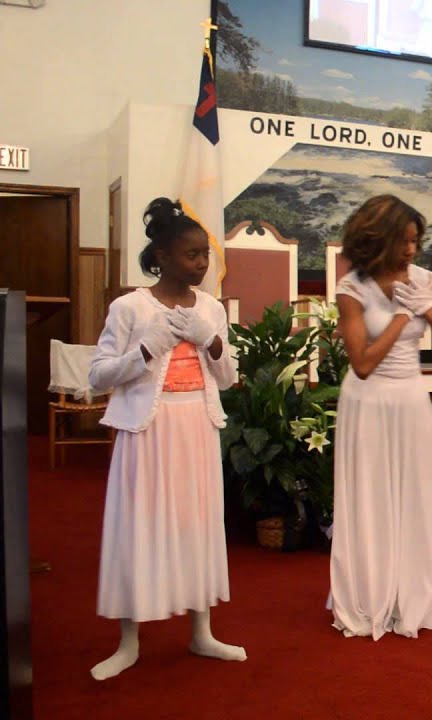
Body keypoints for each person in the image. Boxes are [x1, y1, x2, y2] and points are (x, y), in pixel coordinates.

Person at [88, 197, 244, 680]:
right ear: (161, 256)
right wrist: (144, 350)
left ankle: (201, 632)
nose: (201, 264)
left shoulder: (211, 308)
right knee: (139, 526)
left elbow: (228, 377)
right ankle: (129, 641)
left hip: (196, 426)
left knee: (195, 523)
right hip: (148, 431)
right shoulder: (129, 306)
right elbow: (98, 376)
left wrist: (210, 339)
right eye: (192, 255)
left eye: (205, 255)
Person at [328, 194, 432, 638]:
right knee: (372, 496)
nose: (412, 250)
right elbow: (361, 363)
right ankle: (373, 590)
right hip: (367, 401)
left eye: (417, 240)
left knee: (420, 492)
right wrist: (401, 316)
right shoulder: (351, 289)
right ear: (377, 239)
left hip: (411, 399)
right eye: (404, 240)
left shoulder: (429, 280)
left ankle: (420, 586)